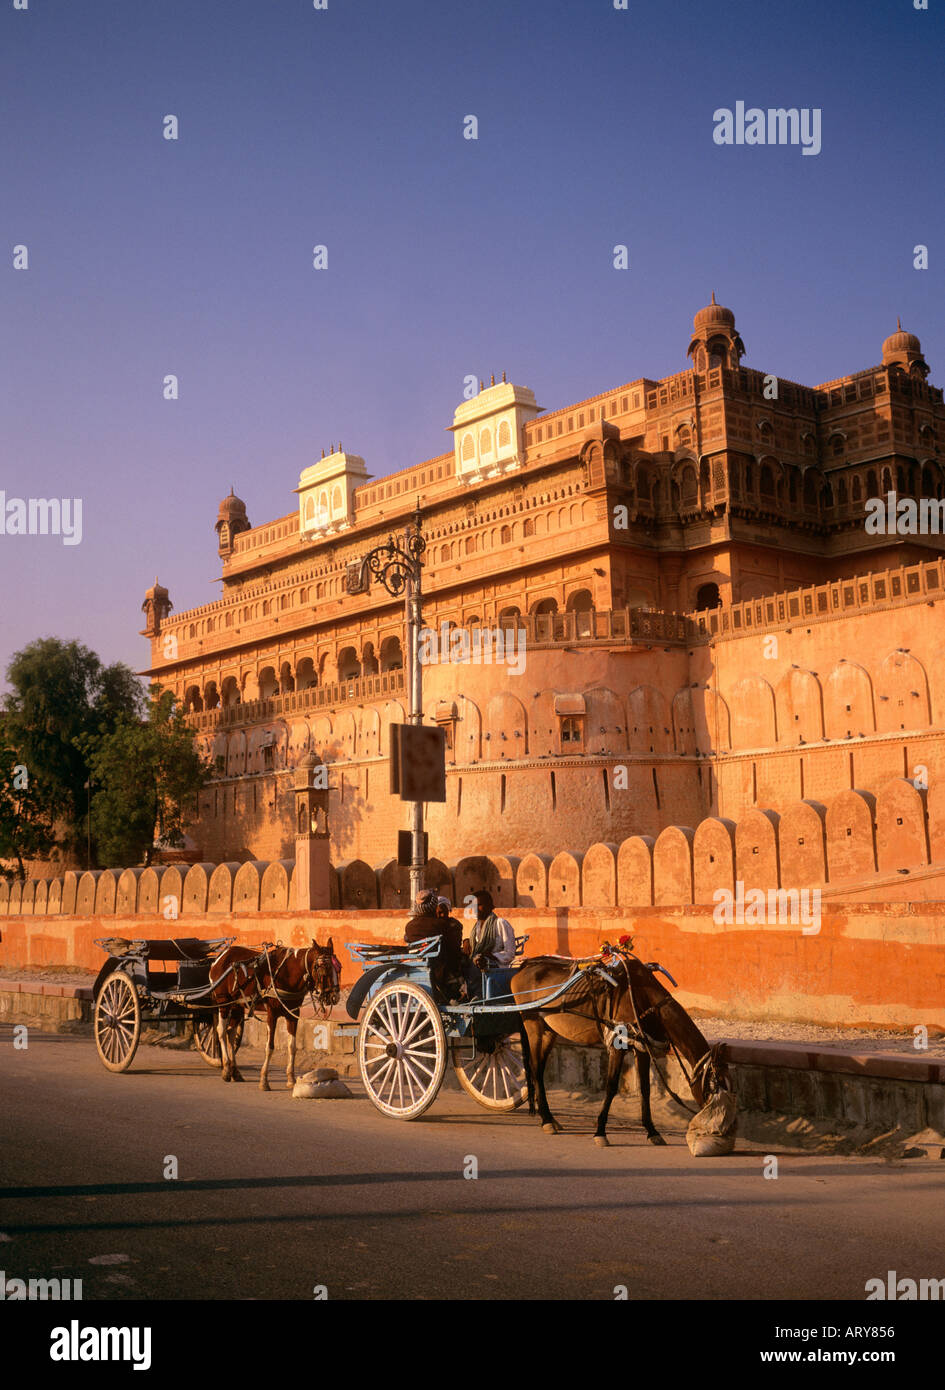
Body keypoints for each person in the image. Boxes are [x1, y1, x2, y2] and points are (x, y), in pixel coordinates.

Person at [404, 888, 464, 1001]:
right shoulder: (442, 925)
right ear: (433, 905)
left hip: (416, 967)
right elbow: (453, 950)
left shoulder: (409, 926)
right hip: (439, 971)